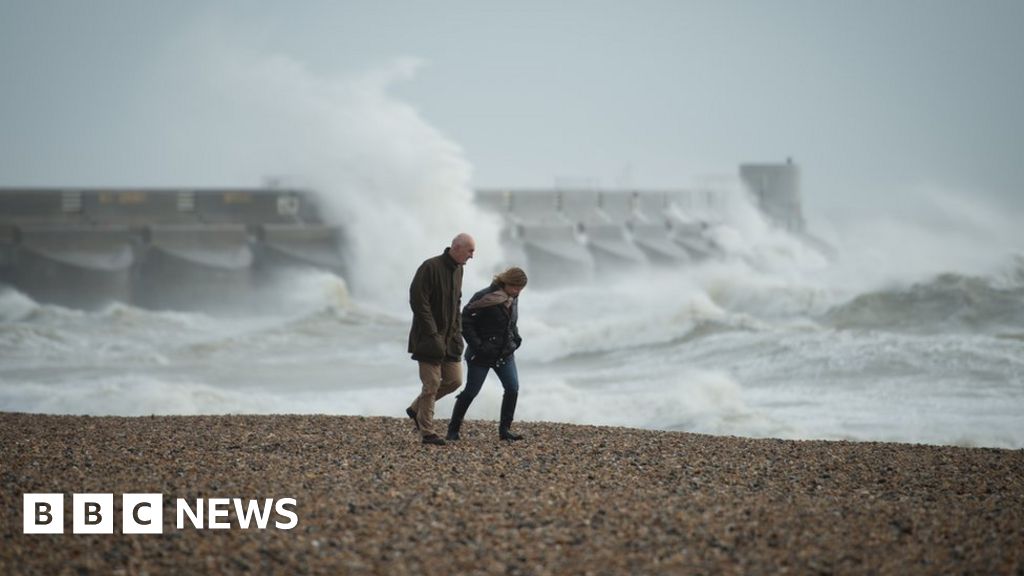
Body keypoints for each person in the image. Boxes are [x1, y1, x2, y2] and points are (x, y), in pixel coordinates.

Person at [406, 233, 475, 445]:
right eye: (470, 251)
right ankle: (427, 432)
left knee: (455, 381)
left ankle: (416, 408)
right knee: (432, 384)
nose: (472, 256)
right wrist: (433, 334)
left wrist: (458, 330)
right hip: (428, 337)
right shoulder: (430, 267)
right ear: (456, 247)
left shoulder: (459, 269)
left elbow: (457, 301)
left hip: (450, 337)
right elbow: (418, 301)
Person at [446, 267, 528, 442]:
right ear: (506, 282)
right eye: (515, 287)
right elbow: (465, 321)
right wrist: (479, 346)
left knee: (512, 388)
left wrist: (516, 338)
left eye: (521, 289)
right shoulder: (484, 297)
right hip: (481, 355)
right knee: (471, 392)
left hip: (504, 354)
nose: (518, 292)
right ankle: (453, 430)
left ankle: (505, 430)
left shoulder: (513, 298)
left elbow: (511, 322)